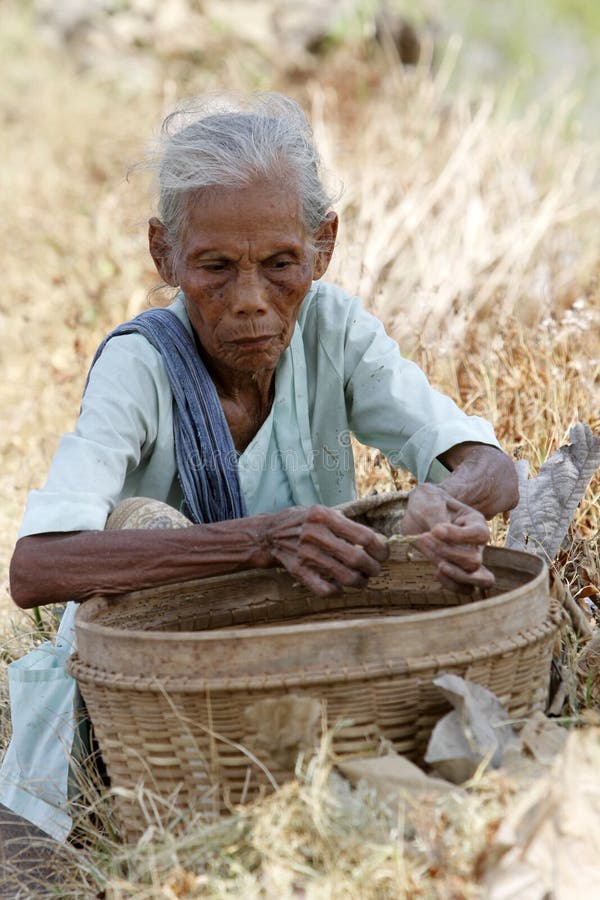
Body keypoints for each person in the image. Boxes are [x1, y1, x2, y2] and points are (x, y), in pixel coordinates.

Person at [1, 93, 518, 843]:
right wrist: (258, 541)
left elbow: (491, 467)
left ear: (323, 247)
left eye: (280, 265)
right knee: (142, 524)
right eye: (215, 267)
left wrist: (447, 503)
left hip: (308, 664)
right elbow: (36, 569)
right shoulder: (140, 367)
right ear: (164, 255)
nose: (249, 302)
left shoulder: (332, 328)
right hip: (162, 702)